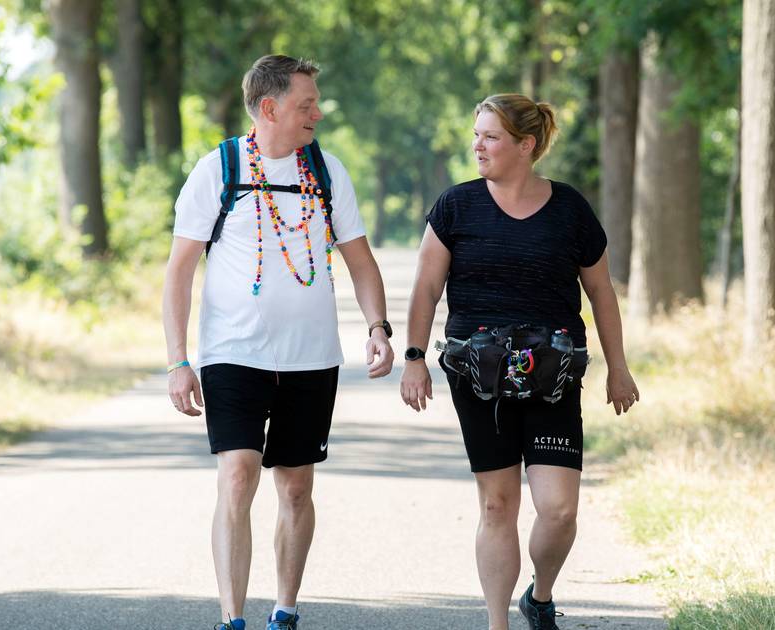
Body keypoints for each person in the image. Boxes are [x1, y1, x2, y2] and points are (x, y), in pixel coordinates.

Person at [163, 54, 394, 630]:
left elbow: (361, 261)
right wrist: (177, 361)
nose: (316, 112)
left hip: (310, 358)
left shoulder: (327, 170)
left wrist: (378, 328)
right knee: (238, 473)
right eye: (305, 104)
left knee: (294, 488)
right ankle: (232, 618)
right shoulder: (218, 169)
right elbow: (178, 272)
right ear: (269, 108)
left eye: (315, 103)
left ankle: (285, 609)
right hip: (232, 353)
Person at [399, 94, 640, 630]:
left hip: (552, 379)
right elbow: (426, 287)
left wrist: (618, 367)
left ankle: (541, 594)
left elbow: (601, 292)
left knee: (559, 510)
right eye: (477, 134)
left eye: (490, 136)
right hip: (477, 377)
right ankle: (497, 623)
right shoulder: (456, 206)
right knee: (497, 505)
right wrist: (414, 356)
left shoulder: (571, 209)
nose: (477, 146)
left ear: (525, 146)